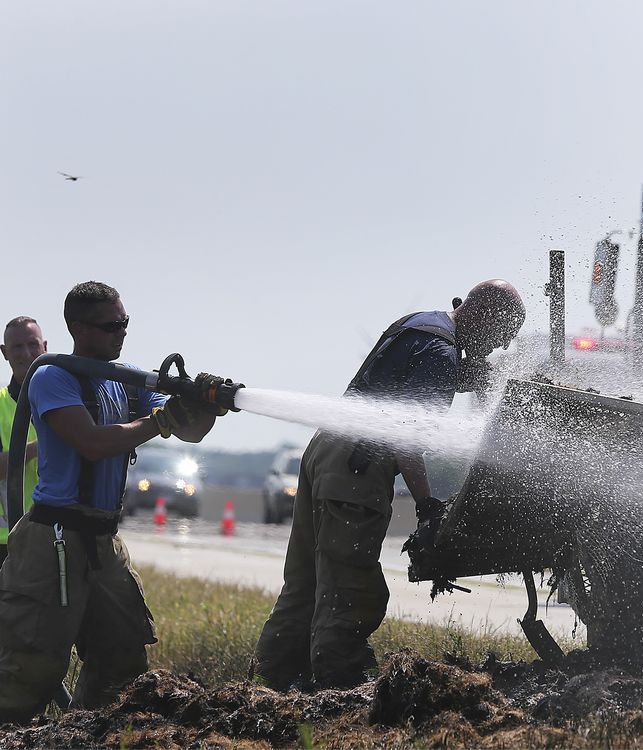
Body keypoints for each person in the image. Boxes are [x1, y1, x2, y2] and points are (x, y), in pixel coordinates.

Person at [253, 279, 525, 691]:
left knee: (305, 586)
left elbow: (397, 384)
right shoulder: (442, 352)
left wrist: (460, 376)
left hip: (327, 450)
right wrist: (427, 505)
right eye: (502, 335)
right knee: (349, 591)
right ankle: (340, 692)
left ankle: (267, 688)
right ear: (484, 316)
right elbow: (407, 437)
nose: (499, 347)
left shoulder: (421, 326)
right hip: (358, 470)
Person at [0, 281, 220, 722]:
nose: (121, 332)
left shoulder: (127, 381)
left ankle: (82, 734)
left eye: (125, 323)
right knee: (29, 668)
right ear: (78, 329)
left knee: (122, 662)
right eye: (111, 325)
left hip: (104, 540)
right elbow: (93, 443)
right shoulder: (52, 377)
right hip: (53, 541)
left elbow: (189, 429)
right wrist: (159, 422)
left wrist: (205, 402)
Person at [0, 317, 48, 565]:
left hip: (53, 533)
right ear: (4, 353)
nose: (26, 353)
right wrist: (40, 447)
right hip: (6, 540)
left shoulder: (67, 400)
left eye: (33, 344)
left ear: (45, 348)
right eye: (17, 347)